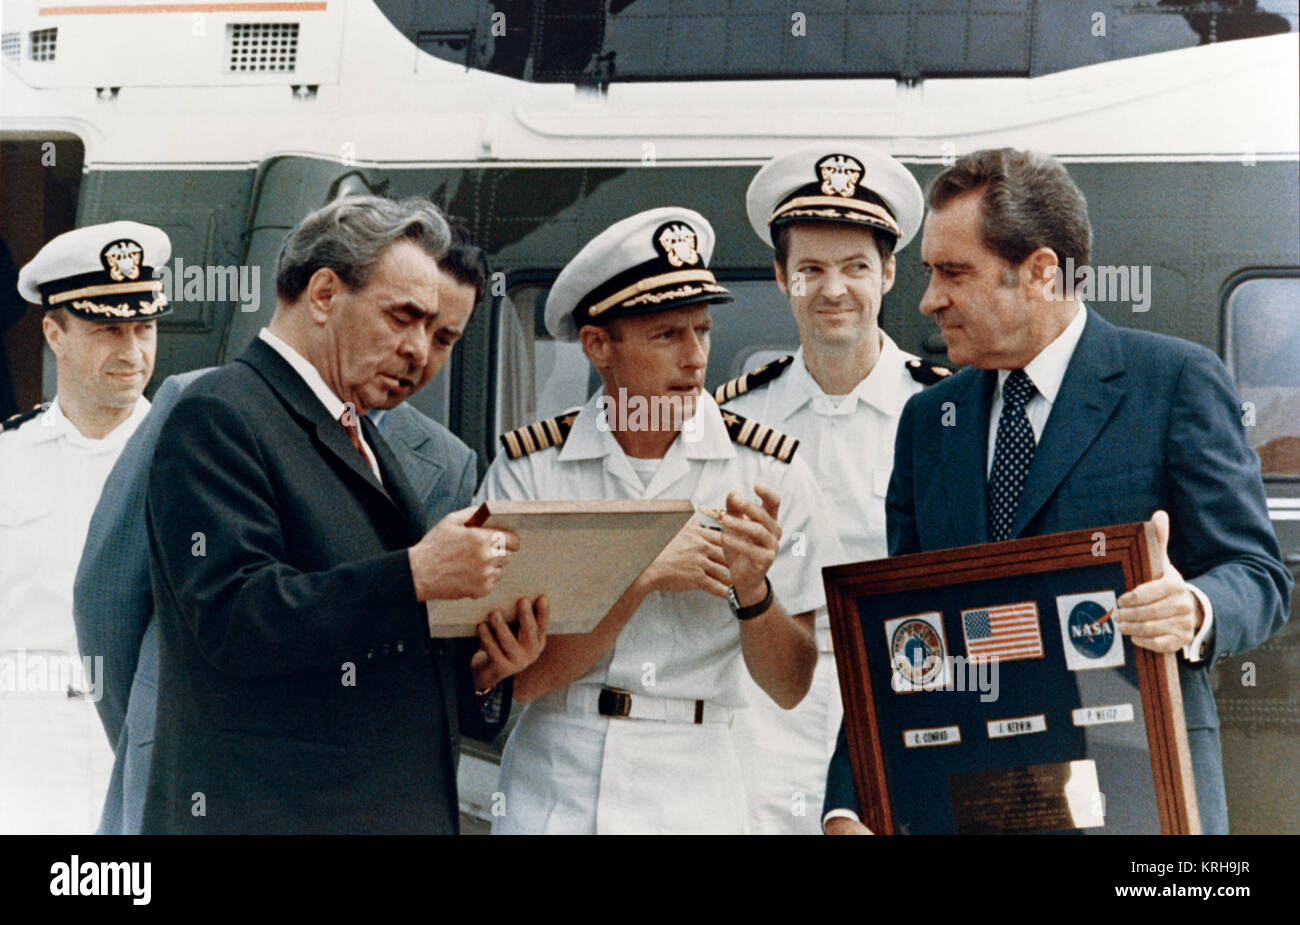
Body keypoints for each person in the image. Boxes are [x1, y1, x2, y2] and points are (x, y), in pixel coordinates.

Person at [823, 148, 1292, 835]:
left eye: (954, 272)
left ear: (1042, 271)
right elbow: (899, 632)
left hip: (1138, 796)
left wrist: (1192, 607)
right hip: (967, 799)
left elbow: (1259, 575)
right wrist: (848, 800)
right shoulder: (930, 422)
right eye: (930, 273)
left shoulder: (1170, 382)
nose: (928, 300)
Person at [140, 196, 546, 834]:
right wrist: (413, 575)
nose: (419, 351)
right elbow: (234, 618)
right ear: (324, 293)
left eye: (435, 330)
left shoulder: (355, 429)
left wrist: (484, 671)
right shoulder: (221, 413)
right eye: (403, 317)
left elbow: (370, 642)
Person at [478, 206, 842, 834]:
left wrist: (752, 593)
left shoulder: (769, 471)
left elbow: (790, 685)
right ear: (598, 346)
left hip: (697, 782)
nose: (695, 357)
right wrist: (636, 575)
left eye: (700, 331)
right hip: (556, 778)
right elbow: (516, 684)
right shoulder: (530, 471)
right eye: (666, 335)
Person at [718, 145, 949, 835]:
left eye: (855, 267)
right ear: (780, 276)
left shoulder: (942, 413)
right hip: (758, 722)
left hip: (904, 703)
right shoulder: (732, 422)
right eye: (810, 269)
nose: (833, 289)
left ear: (889, 272)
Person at [0, 221, 170, 833]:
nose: (132, 351)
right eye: (107, 330)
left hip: (142, 753)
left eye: (144, 327)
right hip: (22, 765)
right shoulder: (7, 461)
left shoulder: (193, 458)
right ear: (55, 334)